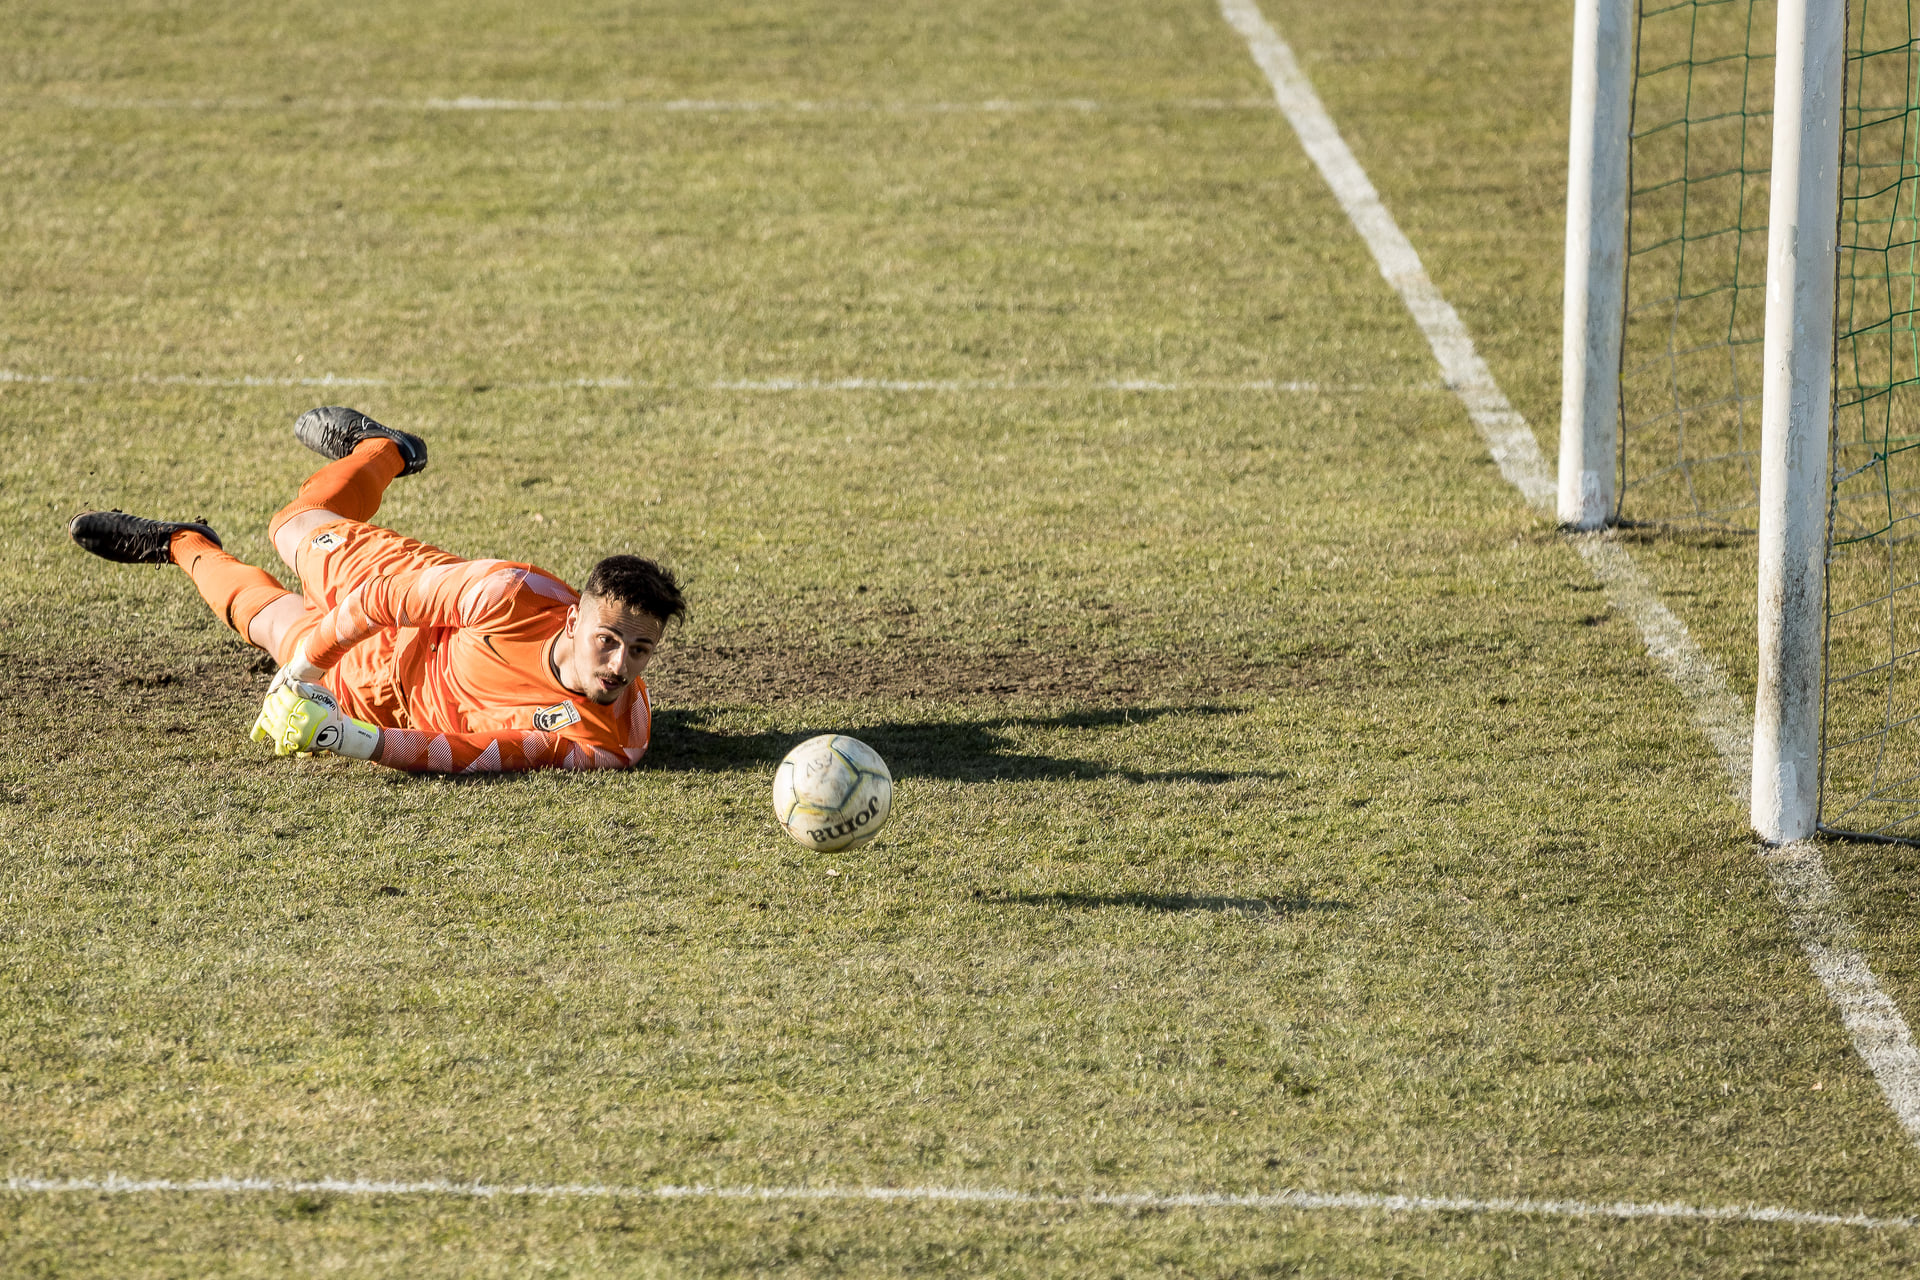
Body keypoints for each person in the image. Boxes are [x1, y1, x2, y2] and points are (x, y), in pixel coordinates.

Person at [69, 407, 685, 774]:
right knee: (290, 527)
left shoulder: (613, 745)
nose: (619, 665)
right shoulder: (506, 593)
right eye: (608, 640)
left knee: (265, 625)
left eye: (639, 651)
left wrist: (347, 737)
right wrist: (305, 669)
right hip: (399, 603)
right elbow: (380, 603)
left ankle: (180, 542)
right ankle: (387, 449)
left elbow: (475, 752)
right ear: (574, 619)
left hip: (383, 700)